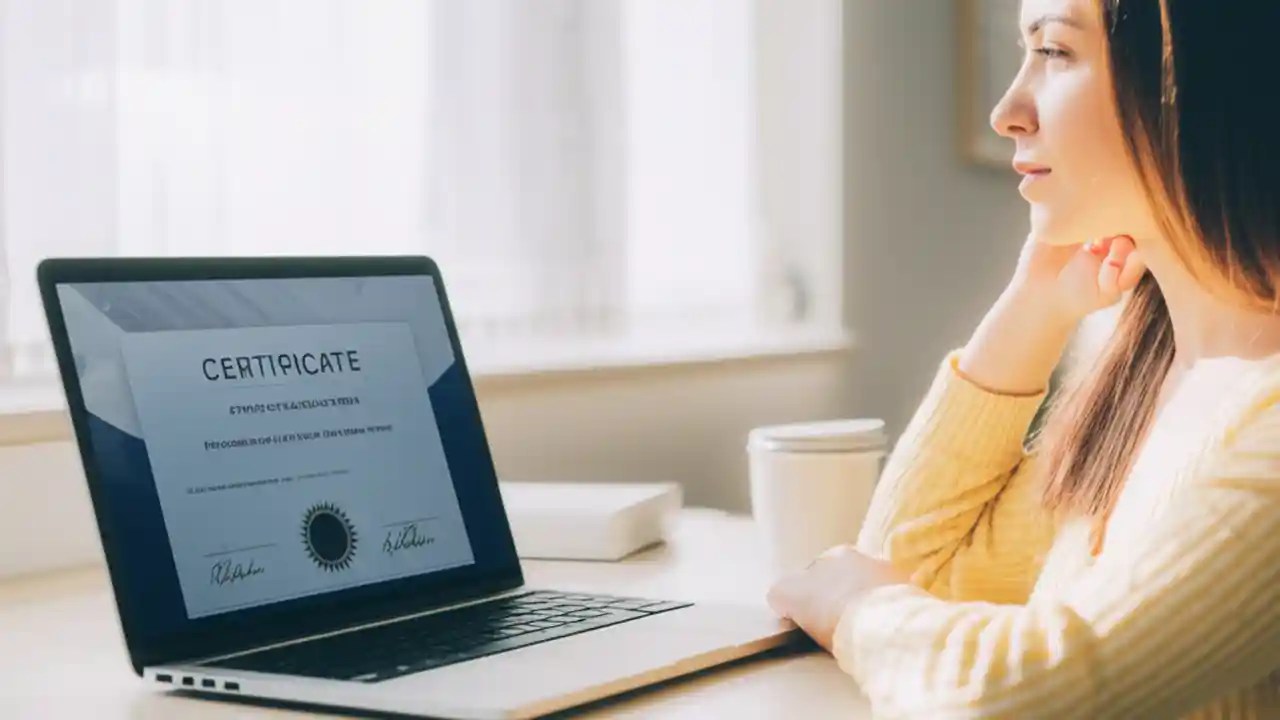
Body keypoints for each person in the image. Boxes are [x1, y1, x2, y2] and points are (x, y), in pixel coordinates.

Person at [765, 0, 1280, 717]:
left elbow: (1017, 695)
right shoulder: (1155, 384)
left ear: (1192, 77)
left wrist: (855, 608)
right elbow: (918, 572)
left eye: (1056, 52)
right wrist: (1034, 305)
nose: (1007, 112)